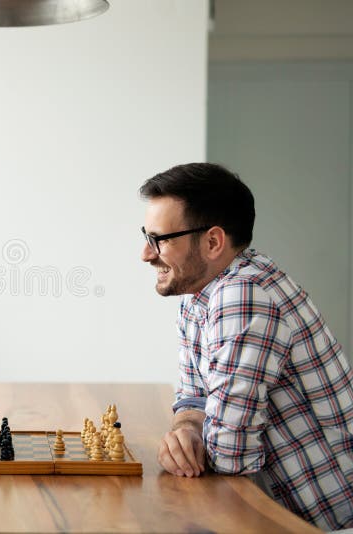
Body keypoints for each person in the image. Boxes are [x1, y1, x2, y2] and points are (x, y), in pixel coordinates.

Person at [139, 162, 353, 531]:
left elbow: (229, 454)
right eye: (147, 235)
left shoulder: (244, 295)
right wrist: (187, 430)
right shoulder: (198, 294)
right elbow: (193, 396)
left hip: (329, 524)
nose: (146, 253)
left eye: (160, 239)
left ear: (212, 242)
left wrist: (191, 445)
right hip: (273, 511)